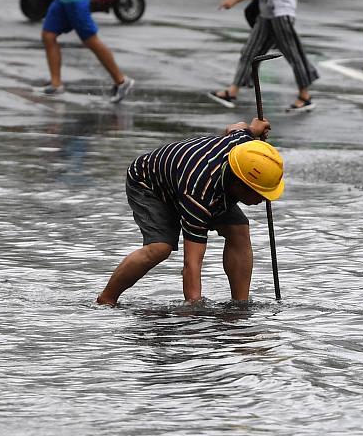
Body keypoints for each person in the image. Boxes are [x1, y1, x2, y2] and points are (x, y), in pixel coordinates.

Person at [96, 118, 284, 306]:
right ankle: (106, 299)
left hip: (191, 178)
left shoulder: (244, 146)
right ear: (239, 184)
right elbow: (192, 264)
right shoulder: (199, 197)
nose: (265, 199)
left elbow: (236, 128)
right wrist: (194, 310)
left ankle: (240, 305)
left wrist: (254, 128)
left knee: (239, 230)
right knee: (160, 248)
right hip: (148, 183)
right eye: (259, 193)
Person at [210, 0, 318, 113]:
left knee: (293, 54)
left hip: (281, 14)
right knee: (250, 51)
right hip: (266, 14)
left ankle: (305, 96)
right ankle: (233, 90)